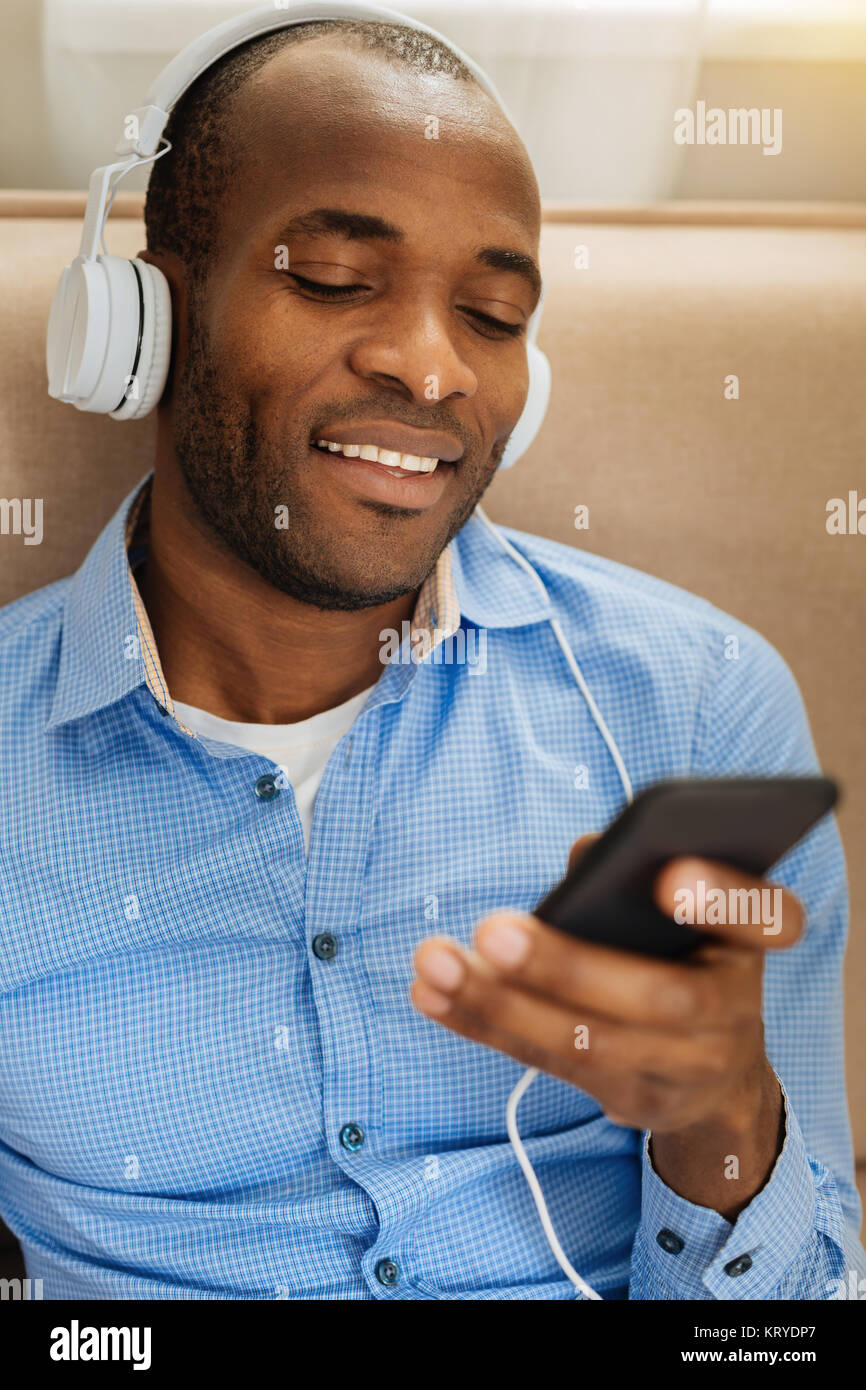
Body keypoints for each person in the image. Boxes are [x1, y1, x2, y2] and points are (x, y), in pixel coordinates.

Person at [1, 17, 863, 1300]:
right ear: (146, 316)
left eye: (492, 312)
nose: (428, 362)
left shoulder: (692, 710)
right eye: (337, 280)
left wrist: (722, 1123)